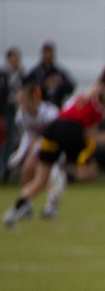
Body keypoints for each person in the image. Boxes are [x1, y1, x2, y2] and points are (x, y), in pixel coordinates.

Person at [3, 68, 105, 228]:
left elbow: (94, 137)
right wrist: (100, 84)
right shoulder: (93, 97)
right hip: (69, 130)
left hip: (53, 131)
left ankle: (13, 213)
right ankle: (63, 179)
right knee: (90, 170)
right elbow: (87, 96)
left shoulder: (98, 111)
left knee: (40, 180)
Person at [5, 78, 63, 215]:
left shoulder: (50, 113)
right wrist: (19, 154)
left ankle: (51, 206)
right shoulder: (21, 116)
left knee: (52, 177)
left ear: (33, 98)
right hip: (40, 146)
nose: (20, 102)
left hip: (55, 147)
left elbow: (59, 135)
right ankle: (26, 205)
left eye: (23, 98)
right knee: (27, 170)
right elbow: (28, 135)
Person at [25, 41, 75, 109]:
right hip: (40, 107)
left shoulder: (58, 72)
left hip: (55, 105)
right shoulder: (35, 72)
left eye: (51, 53)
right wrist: (44, 85)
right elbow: (27, 88)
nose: (49, 56)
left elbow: (71, 86)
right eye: (46, 53)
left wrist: (59, 85)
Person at [1, 48, 22, 182]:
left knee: (11, 140)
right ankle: (2, 168)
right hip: (4, 110)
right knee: (3, 140)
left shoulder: (18, 74)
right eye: (15, 58)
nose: (17, 61)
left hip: (13, 110)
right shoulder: (3, 74)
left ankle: (7, 169)